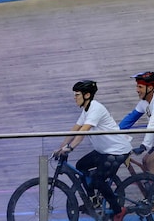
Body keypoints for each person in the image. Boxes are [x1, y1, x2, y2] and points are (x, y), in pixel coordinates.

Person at [55, 80, 131, 221]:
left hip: (117, 150)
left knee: (98, 179)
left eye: (77, 94)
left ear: (87, 95)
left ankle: (118, 210)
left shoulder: (95, 108)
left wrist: (70, 147)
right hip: (104, 150)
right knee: (80, 166)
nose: (74, 97)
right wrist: (60, 147)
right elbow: (75, 129)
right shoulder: (86, 109)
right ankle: (93, 199)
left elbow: (83, 131)